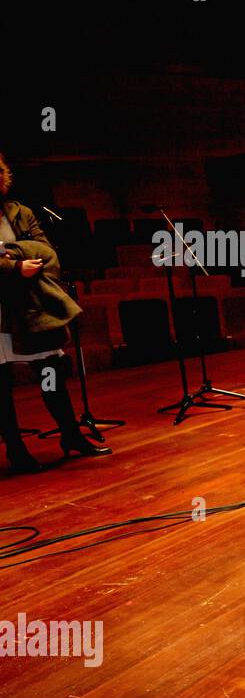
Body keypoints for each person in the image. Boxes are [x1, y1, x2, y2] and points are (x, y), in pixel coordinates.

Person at [0, 153, 111, 473]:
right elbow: (27, 257)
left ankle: (71, 434)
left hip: (28, 305)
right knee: (1, 383)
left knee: (51, 371)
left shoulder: (20, 212)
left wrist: (9, 255)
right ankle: (16, 450)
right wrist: (16, 265)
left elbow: (45, 252)